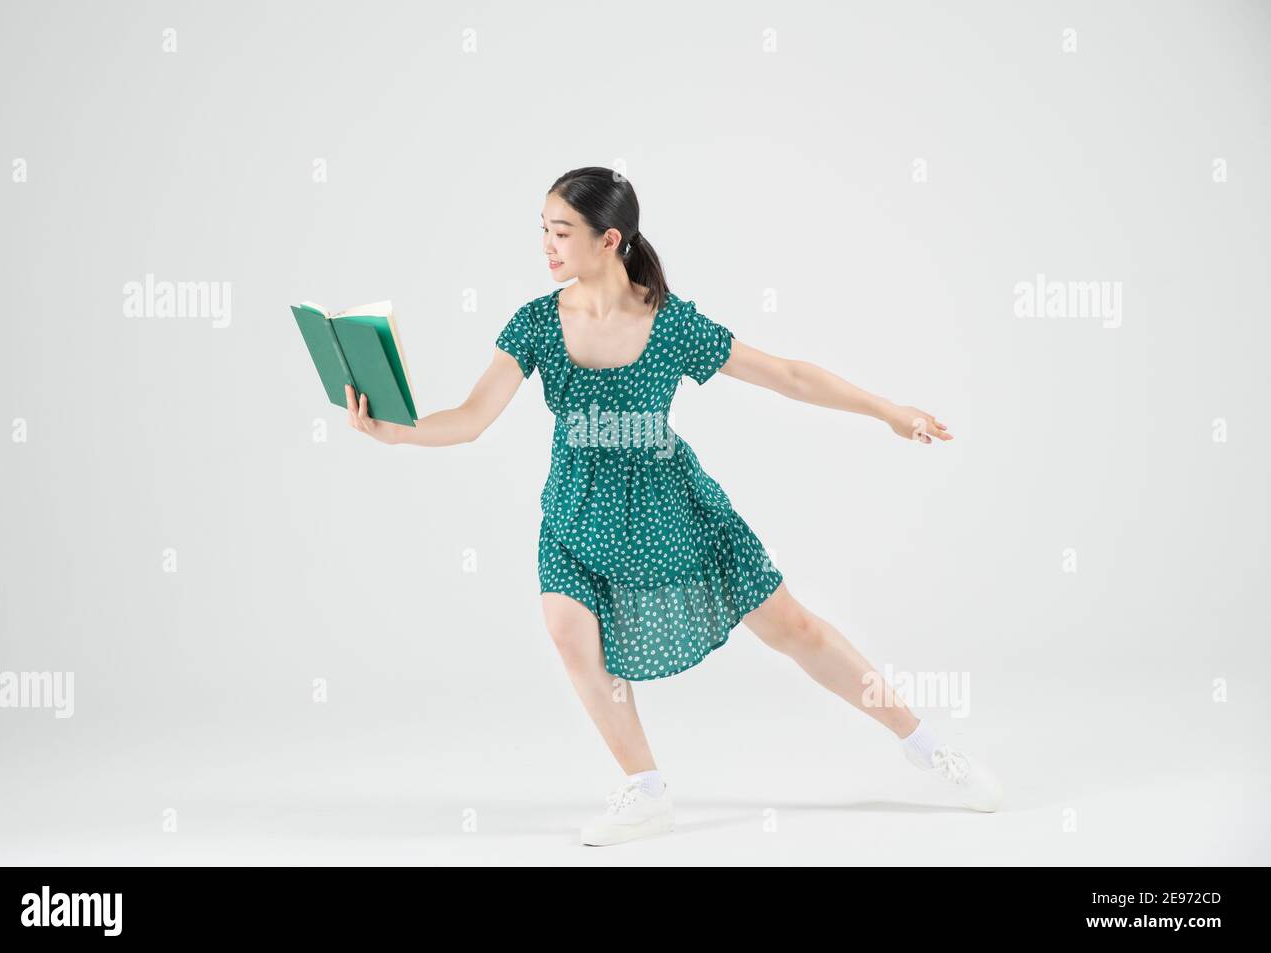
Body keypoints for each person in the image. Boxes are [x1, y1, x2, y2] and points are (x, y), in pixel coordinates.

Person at [343, 167, 1002, 846]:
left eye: (561, 232)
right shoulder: (537, 323)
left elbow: (788, 375)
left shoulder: (671, 323)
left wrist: (887, 411)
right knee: (569, 632)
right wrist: (399, 431)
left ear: (609, 240)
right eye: (542, 230)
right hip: (576, 512)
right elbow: (474, 416)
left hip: (674, 512)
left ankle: (927, 747)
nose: (546, 245)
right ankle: (646, 790)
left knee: (794, 630)